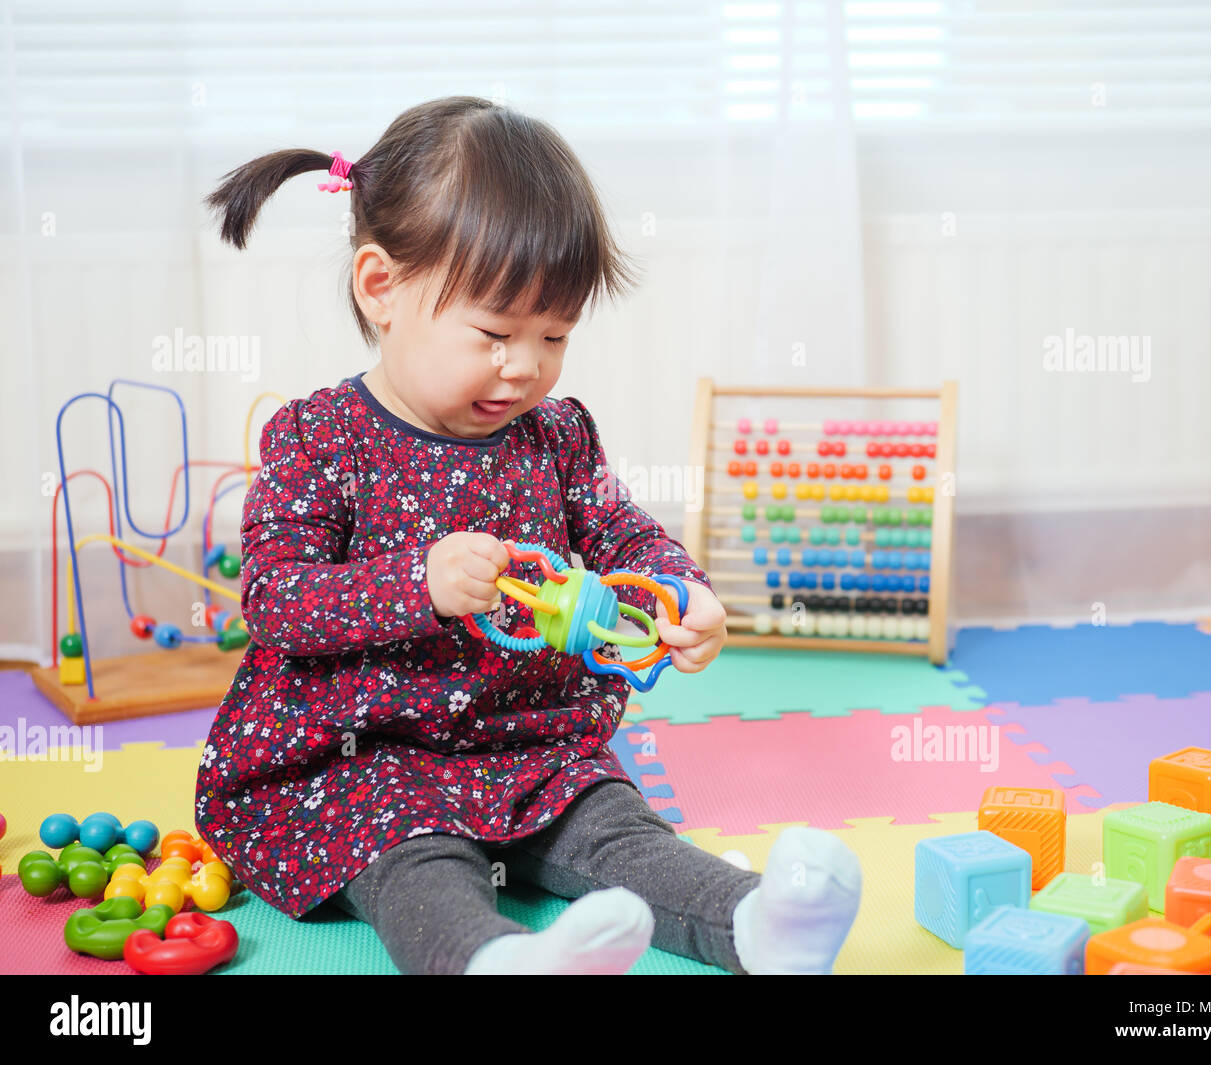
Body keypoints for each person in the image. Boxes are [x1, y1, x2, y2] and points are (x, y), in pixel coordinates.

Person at [196, 96, 862, 975]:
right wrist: (417, 582)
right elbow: (277, 602)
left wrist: (680, 590)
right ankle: (489, 957)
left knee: (617, 823)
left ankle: (755, 924)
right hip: (366, 761)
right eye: (495, 332)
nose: (526, 365)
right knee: (414, 857)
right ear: (382, 288)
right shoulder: (319, 437)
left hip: (531, 741)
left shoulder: (556, 432)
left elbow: (618, 530)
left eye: (554, 334)